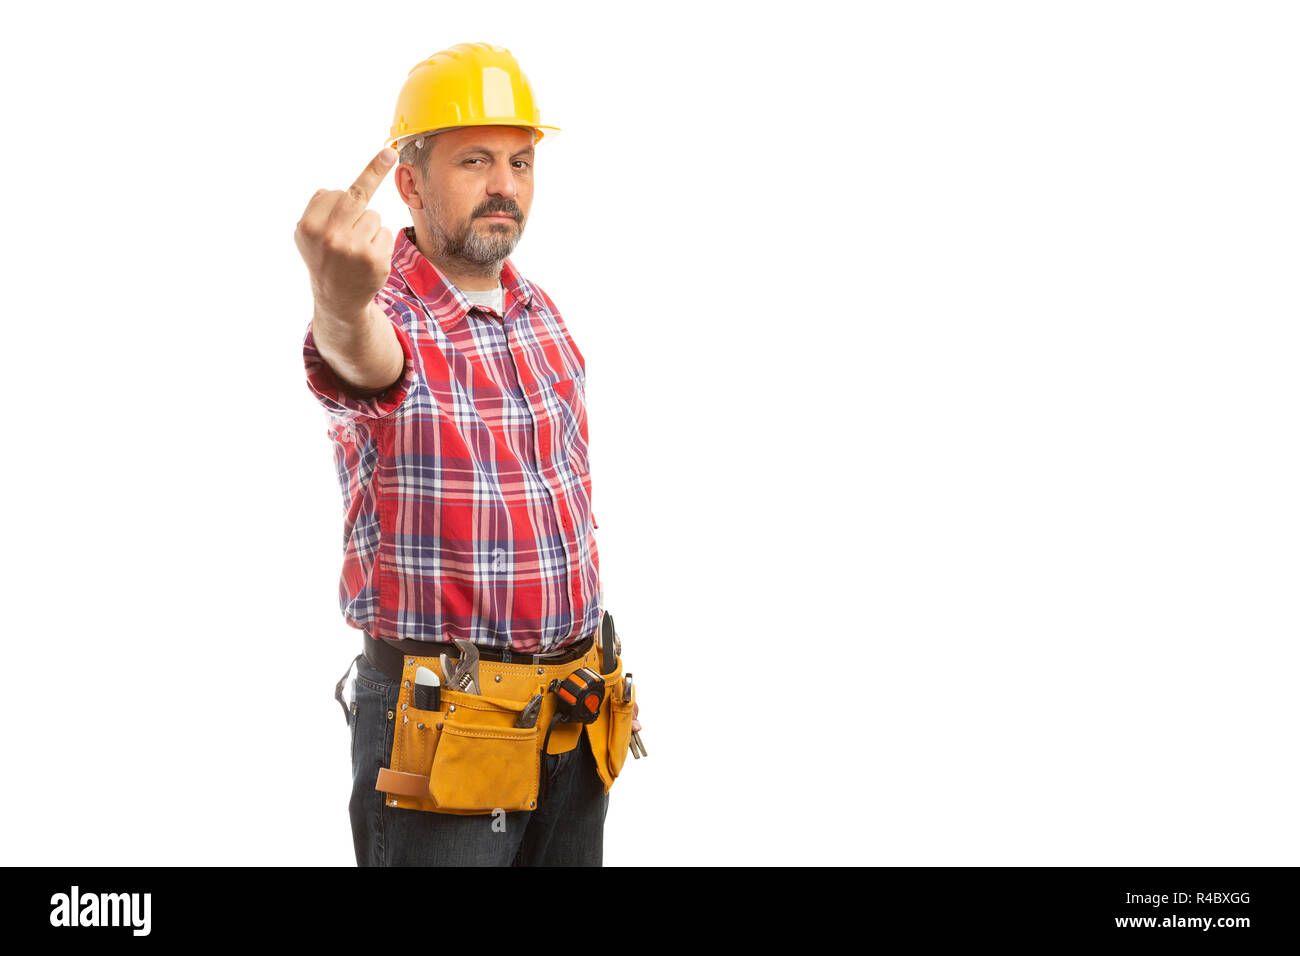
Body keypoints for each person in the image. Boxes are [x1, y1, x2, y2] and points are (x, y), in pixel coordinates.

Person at [293, 42, 639, 866]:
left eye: (521, 162)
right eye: (475, 160)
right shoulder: (392, 311)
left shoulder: (538, 310)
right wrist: (337, 299)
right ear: (410, 183)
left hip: (572, 721)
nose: (505, 186)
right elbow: (360, 356)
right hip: (445, 730)